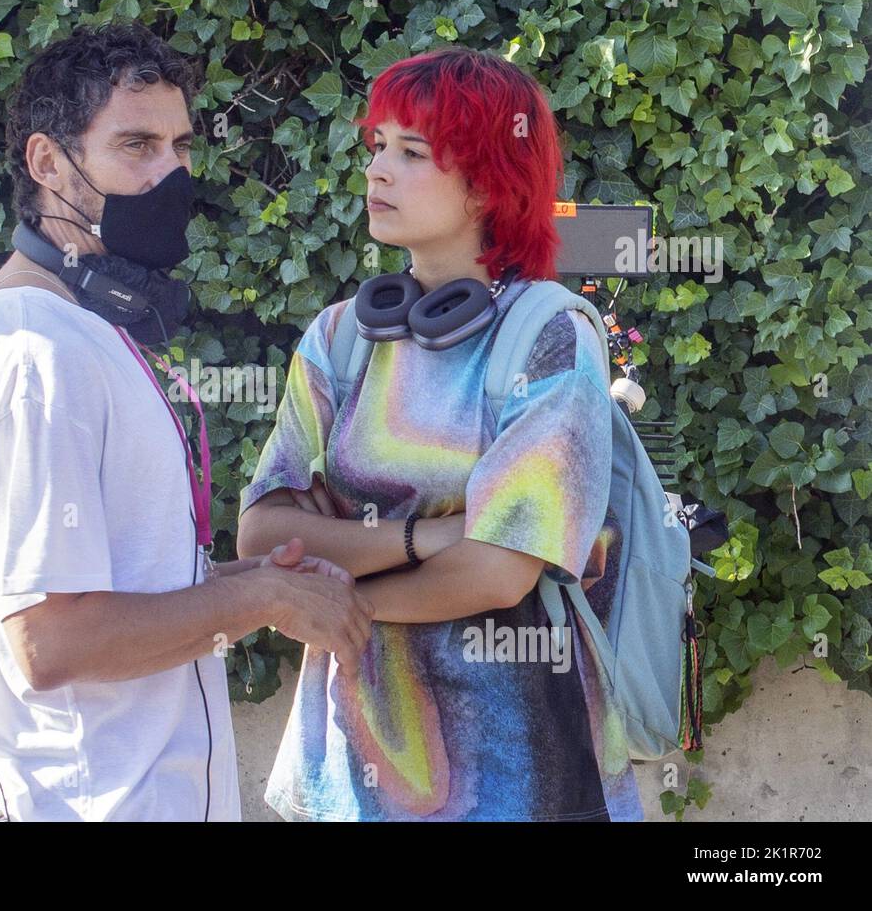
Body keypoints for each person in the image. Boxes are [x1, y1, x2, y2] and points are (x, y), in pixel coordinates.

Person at [0, 23, 373, 822]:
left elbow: (122, 594)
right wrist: (261, 597)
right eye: (136, 145)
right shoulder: (37, 354)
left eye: (181, 146)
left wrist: (260, 585)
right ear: (46, 162)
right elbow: (51, 641)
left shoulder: (81, 332)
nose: (170, 172)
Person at [236, 46, 643, 822]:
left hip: (517, 769)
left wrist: (330, 592)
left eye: (412, 152)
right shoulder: (339, 339)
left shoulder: (550, 337)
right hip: (350, 770)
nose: (377, 170)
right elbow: (262, 534)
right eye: (377, 146)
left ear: (488, 182)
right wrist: (430, 538)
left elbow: (497, 575)